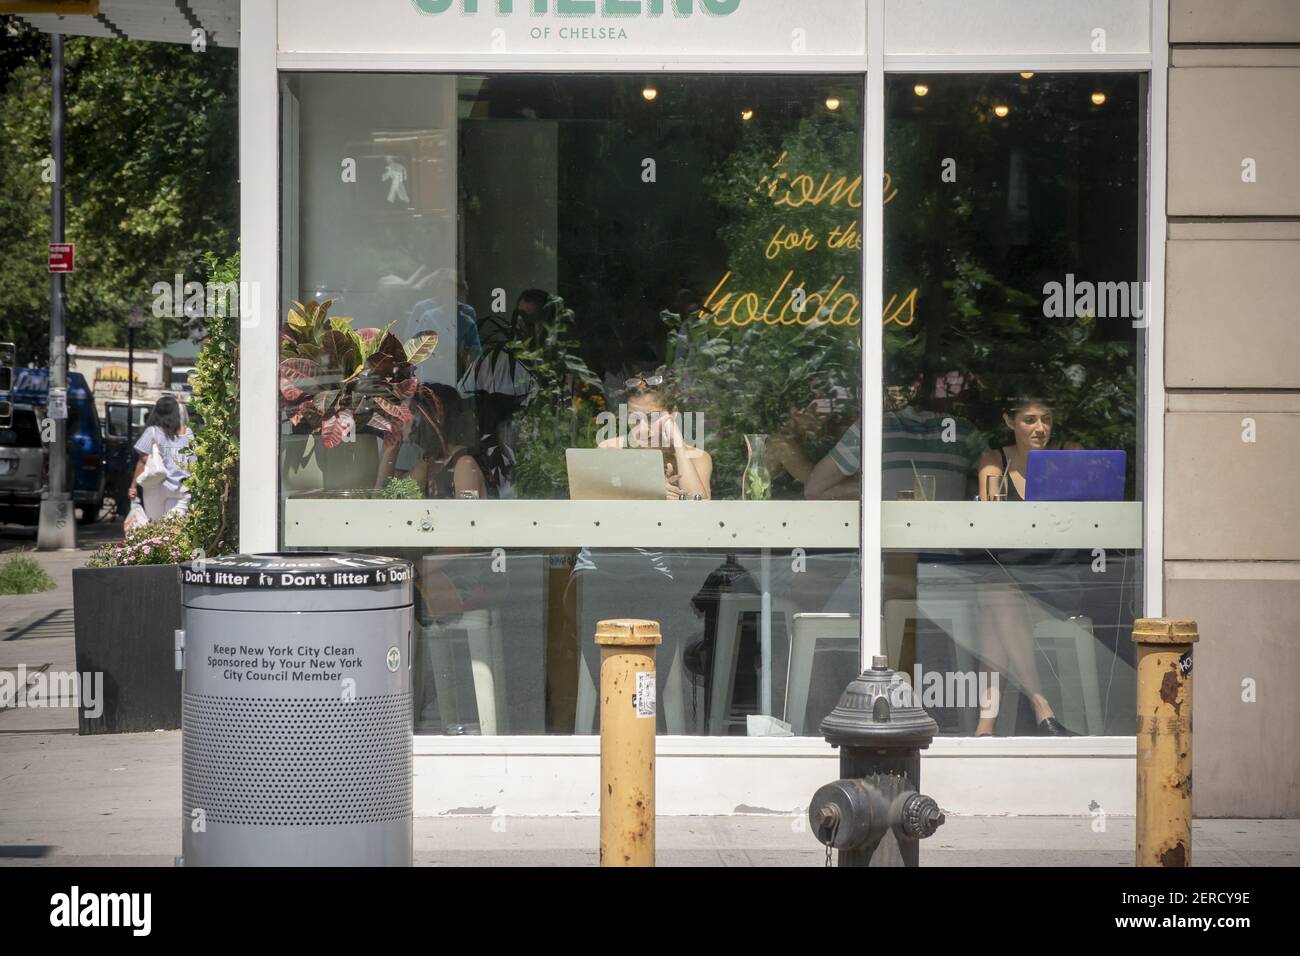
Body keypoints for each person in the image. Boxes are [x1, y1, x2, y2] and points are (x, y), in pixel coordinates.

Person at [969, 396, 1085, 736]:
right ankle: (1036, 712)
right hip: (1012, 580)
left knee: (996, 602)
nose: (1040, 428)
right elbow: (992, 521)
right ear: (1009, 422)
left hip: (1057, 578)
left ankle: (993, 722)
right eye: (1030, 420)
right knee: (999, 599)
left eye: (1046, 419)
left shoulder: (1069, 456)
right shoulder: (995, 460)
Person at [596, 367, 712, 500]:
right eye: (635, 420)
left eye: (652, 418)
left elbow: (700, 510)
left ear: (672, 415)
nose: (644, 430)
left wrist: (679, 445)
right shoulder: (611, 450)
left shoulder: (697, 457)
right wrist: (649, 493)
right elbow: (593, 506)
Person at [128, 395, 193, 522]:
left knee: (155, 527)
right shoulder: (188, 433)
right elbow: (193, 460)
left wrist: (133, 486)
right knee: (173, 531)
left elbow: (142, 460)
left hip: (155, 485)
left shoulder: (152, 431)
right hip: (181, 488)